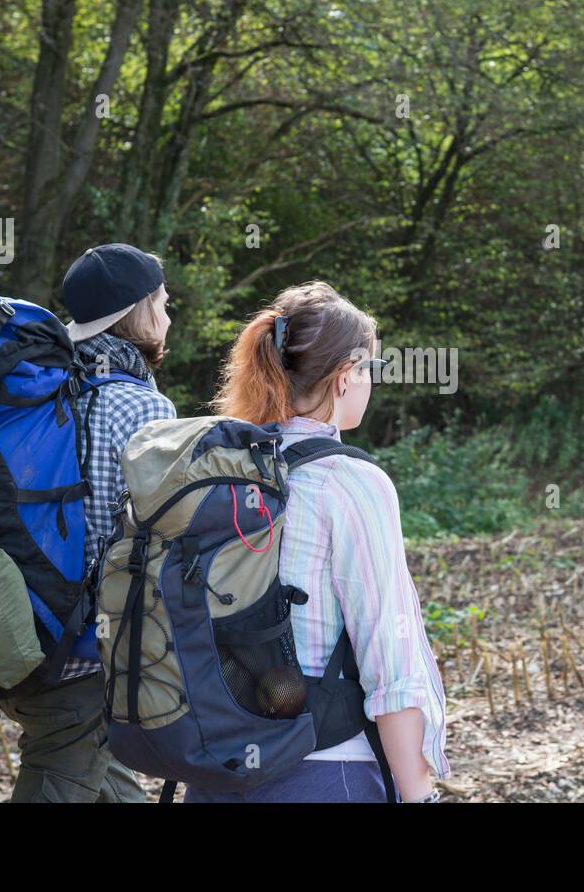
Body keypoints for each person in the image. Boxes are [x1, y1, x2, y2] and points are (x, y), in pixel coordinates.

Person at [187, 280, 449, 802]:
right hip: (324, 773)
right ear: (344, 376)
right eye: (370, 371)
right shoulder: (348, 482)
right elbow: (390, 661)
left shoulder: (219, 470)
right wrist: (421, 794)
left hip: (215, 768)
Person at [0, 242, 176, 802]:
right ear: (139, 311)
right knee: (61, 772)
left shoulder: (36, 386)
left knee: (102, 779)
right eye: (164, 303)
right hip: (82, 650)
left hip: (13, 623)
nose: (169, 317)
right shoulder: (142, 406)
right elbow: (162, 536)